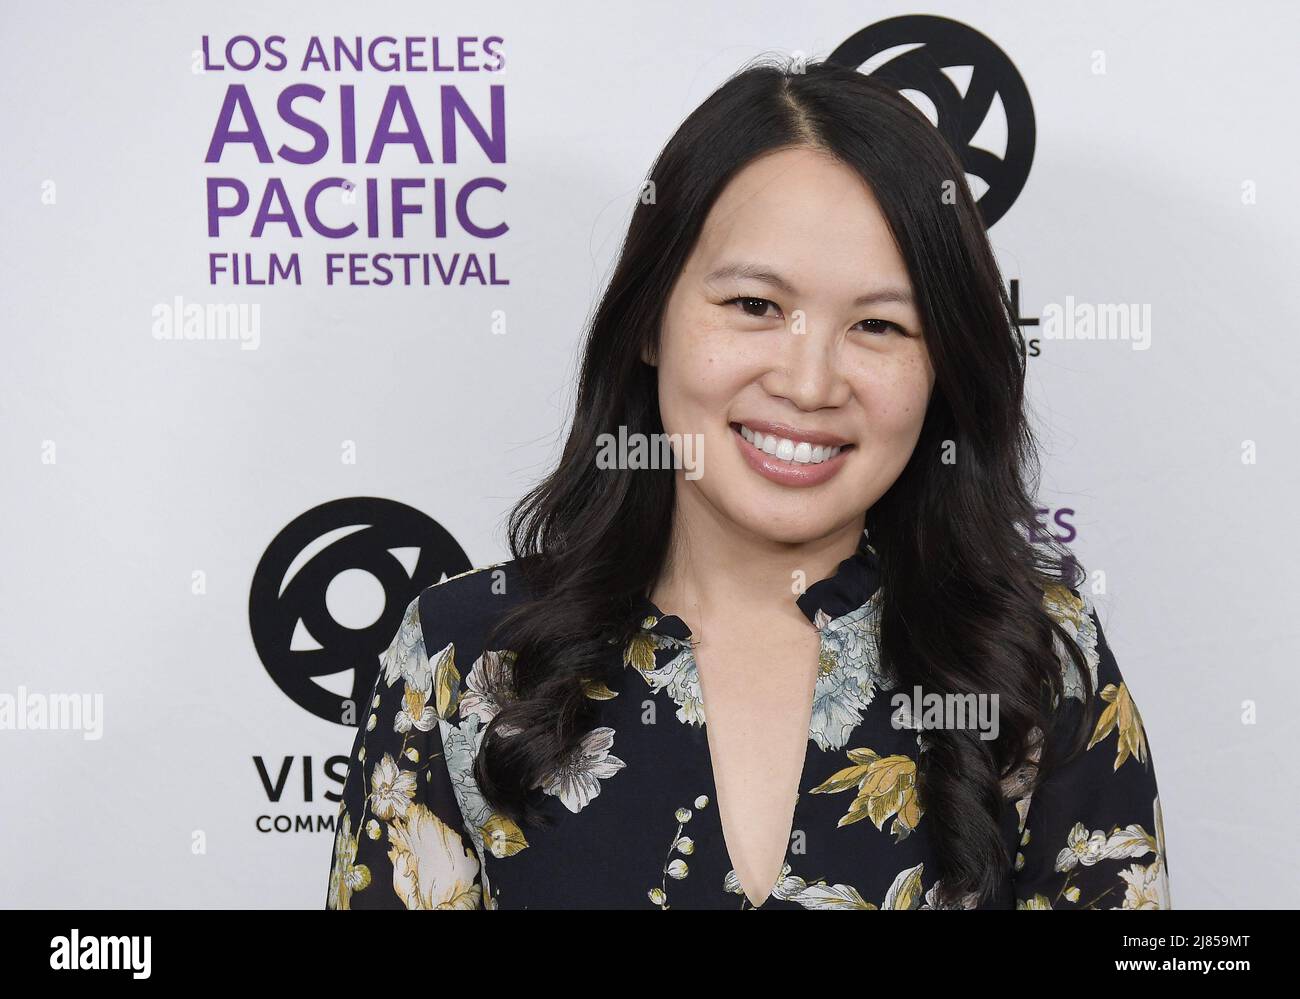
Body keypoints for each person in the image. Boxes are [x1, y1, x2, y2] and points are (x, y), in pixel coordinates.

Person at [326, 57, 1170, 910]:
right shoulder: (464, 655)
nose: (809, 384)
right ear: (649, 320)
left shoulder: (1033, 659)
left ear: (942, 365)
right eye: (754, 306)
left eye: (878, 324)